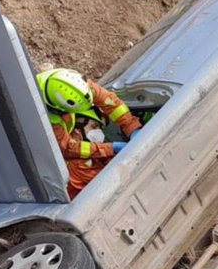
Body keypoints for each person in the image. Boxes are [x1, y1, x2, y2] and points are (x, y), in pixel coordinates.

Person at [36, 67, 143, 198]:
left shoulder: (74, 84)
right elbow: (69, 148)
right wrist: (110, 148)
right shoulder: (44, 121)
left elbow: (110, 102)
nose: (98, 133)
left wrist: (132, 126)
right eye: (94, 126)